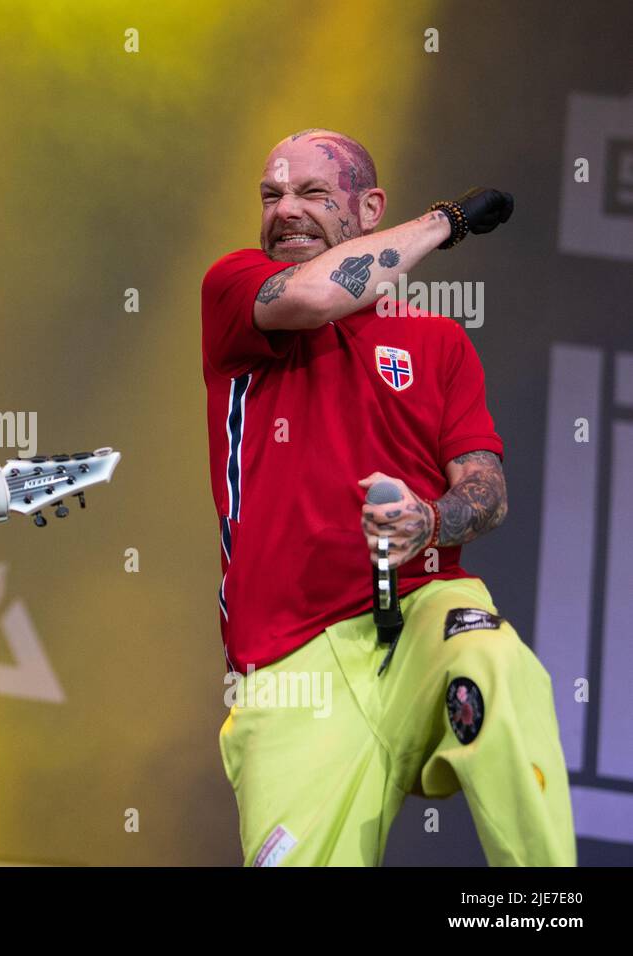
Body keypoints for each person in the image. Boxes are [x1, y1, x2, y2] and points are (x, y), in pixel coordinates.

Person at [201, 128, 575, 866]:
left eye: (312, 192)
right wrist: (450, 219)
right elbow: (314, 295)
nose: (285, 211)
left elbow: (487, 492)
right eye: (271, 195)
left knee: (495, 662)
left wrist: (429, 520)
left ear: (369, 209)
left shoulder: (438, 341)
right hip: (287, 662)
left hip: (419, 615)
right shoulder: (238, 290)